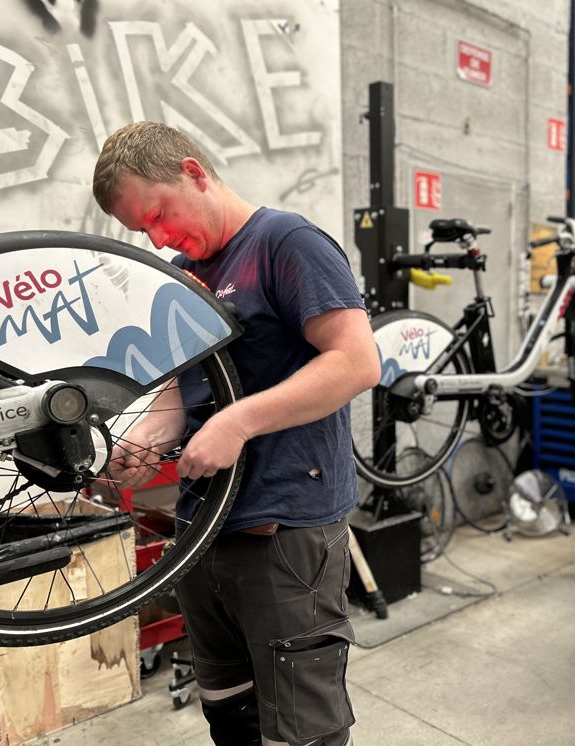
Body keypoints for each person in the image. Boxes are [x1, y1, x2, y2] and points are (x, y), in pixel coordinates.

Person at [93, 121, 380, 746]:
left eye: (158, 215)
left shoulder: (286, 243)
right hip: (204, 529)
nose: (158, 238)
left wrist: (236, 422)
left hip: (283, 533)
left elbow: (357, 362)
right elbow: (180, 391)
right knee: (230, 713)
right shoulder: (181, 270)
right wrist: (140, 443)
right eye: (143, 231)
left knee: (301, 731)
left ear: (194, 174)